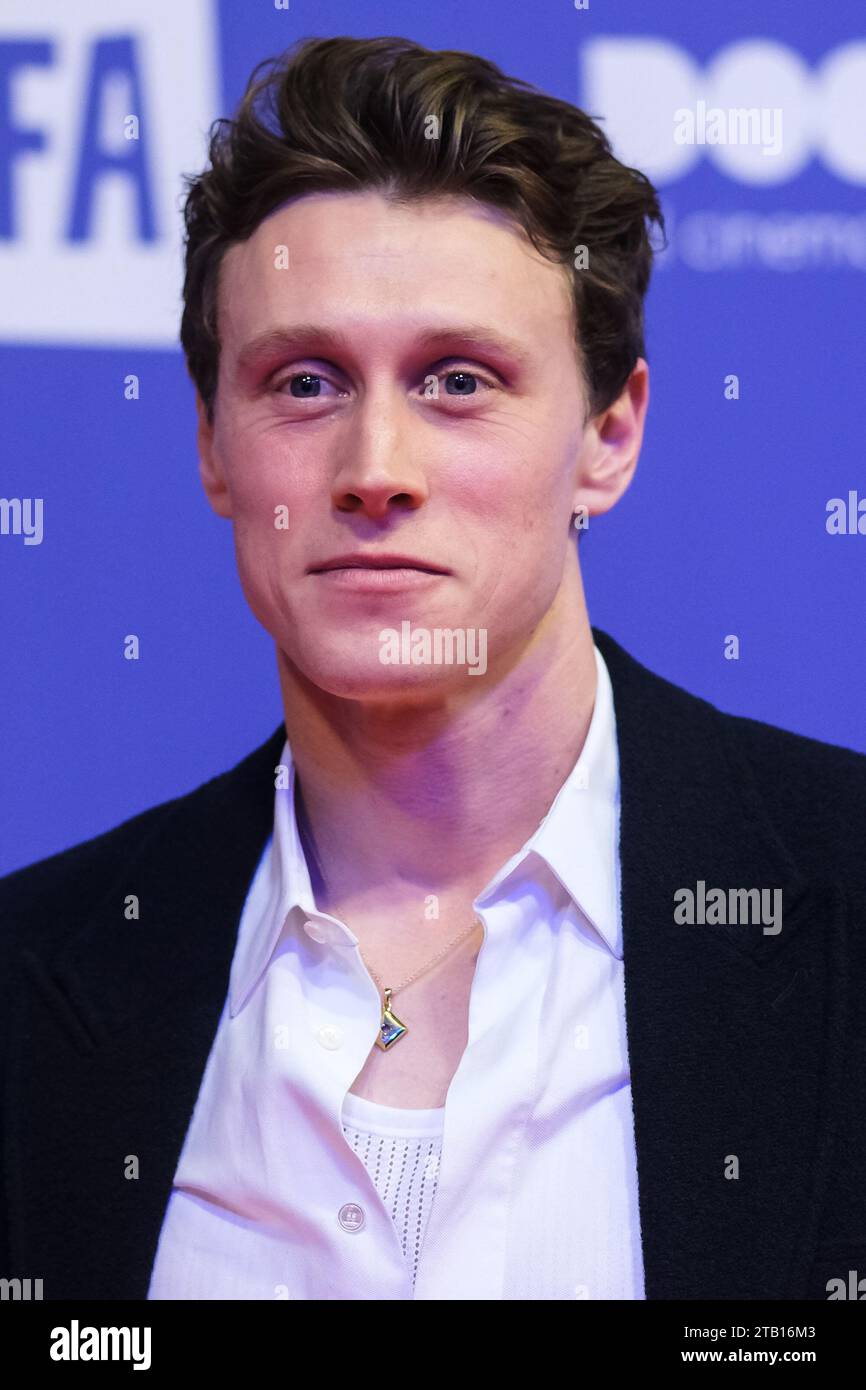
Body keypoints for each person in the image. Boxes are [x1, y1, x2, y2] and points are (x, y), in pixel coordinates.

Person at [2, 35, 865, 1303]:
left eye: (458, 380)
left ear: (607, 436)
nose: (373, 466)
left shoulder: (838, 892)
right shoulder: (33, 981)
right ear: (212, 447)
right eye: (303, 381)